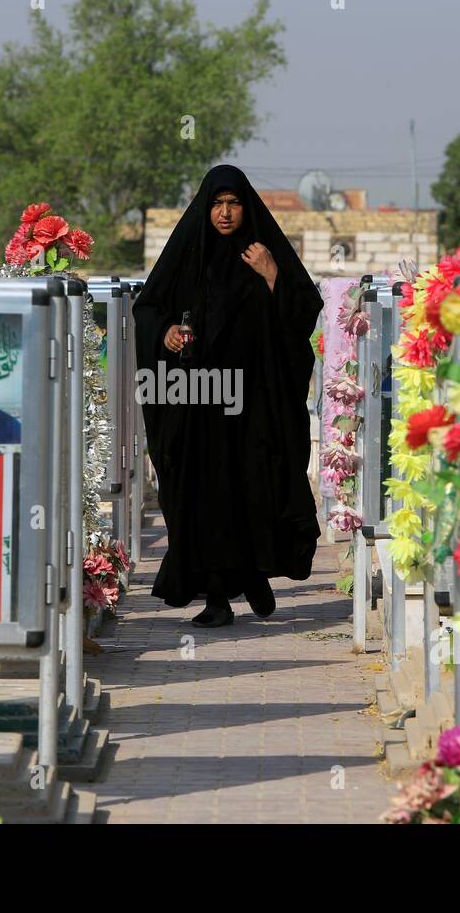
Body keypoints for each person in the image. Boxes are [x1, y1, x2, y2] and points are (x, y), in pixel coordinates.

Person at [132, 164, 323, 628]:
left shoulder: (264, 252)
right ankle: (217, 595)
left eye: (233, 204)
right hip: (197, 401)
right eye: (216, 204)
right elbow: (148, 307)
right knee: (205, 494)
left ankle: (255, 576)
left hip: (255, 404)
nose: (224, 213)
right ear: (205, 207)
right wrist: (168, 334)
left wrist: (273, 274)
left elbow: (303, 313)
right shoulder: (187, 253)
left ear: (246, 207)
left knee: (255, 489)